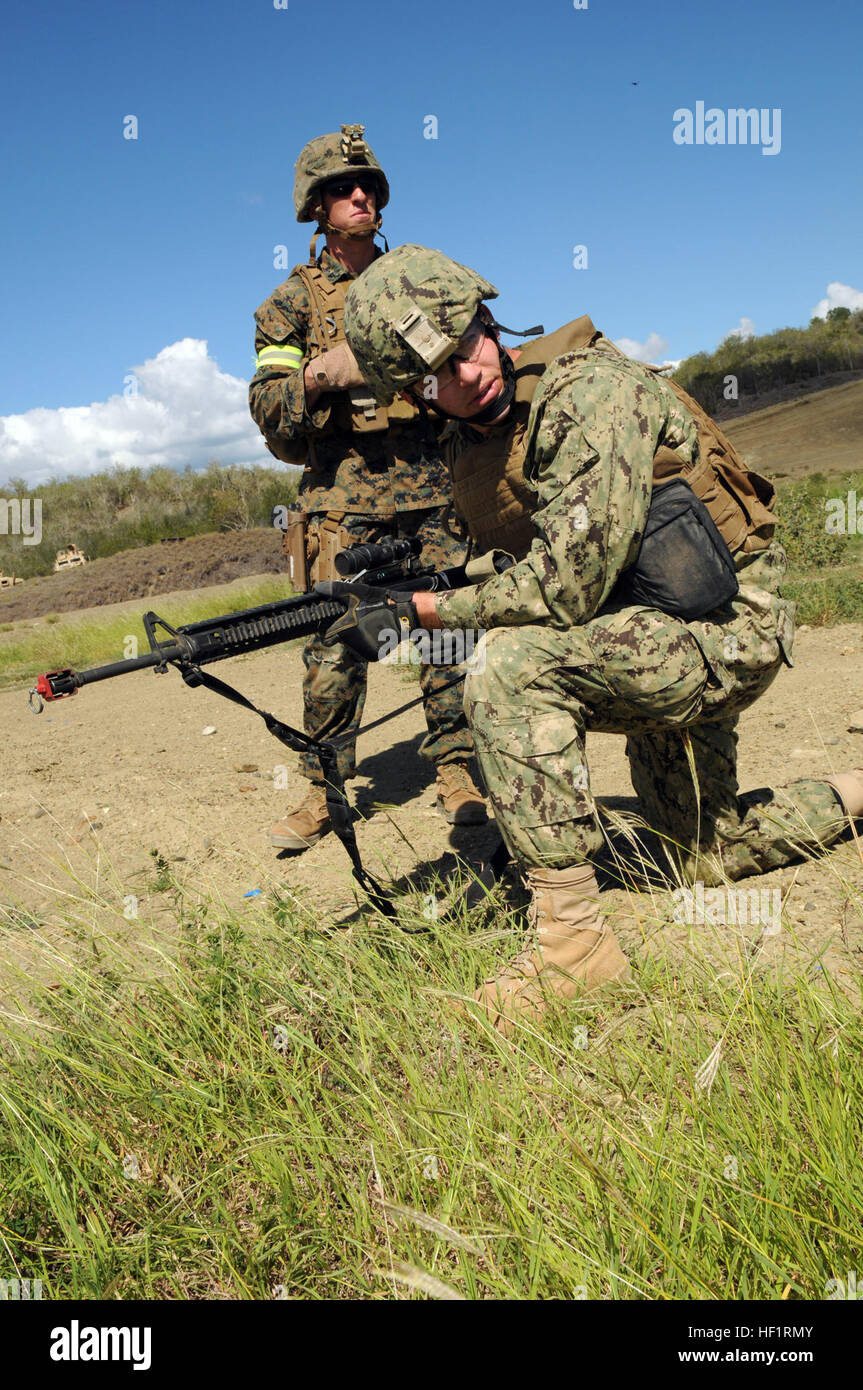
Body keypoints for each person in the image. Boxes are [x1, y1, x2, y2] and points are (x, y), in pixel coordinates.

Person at [334, 243, 862, 1034]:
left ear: (487, 321)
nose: (462, 376)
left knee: (507, 665)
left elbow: (564, 587)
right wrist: (395, 617)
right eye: (431, 378)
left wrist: (428, 616)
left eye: (465, 348)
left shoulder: (593, 392)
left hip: (722, 631)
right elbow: (499, 571)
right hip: (645, 627)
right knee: (698, 856)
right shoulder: (475, 438)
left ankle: (574, 946)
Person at [249, 131, 485, 852]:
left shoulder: (415, 279)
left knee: (449, 629)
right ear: (316, 205)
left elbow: (476, 366)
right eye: (347, 188)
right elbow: (269, 409)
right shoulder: (286, 305)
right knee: (334, 650)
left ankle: (456, 769)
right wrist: (322, 374)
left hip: (435, 493)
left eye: (371, 188)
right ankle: (324, 790)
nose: (363, 198)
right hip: (342, 506)